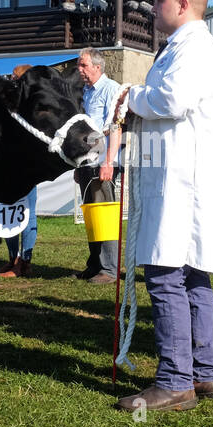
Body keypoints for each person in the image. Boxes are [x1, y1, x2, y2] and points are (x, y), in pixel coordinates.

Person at [111, 0, 213, 413]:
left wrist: (129, 98)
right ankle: (205, 372)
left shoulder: (195, 48)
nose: (153, 7)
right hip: (181, 178)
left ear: (183, 4)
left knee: (166, 276)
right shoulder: (185, 47)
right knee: (191, 277)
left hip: (182, 183)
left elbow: (170, 100)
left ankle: (175, 381)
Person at [74, 49, 122, 284]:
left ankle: (110, 269)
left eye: (83, 65)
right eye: (79, 65)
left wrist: (108, 162)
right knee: (92, 216)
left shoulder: (110, 89)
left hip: (102, 163)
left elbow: (115, 127)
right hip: (87, 163)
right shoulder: (86, 92)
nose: (79, 69)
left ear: (97, 67)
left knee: (104, 216)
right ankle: (95, 265)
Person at [0, 64, 39, 279]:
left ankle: (24, 262)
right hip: (8, 165)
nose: (10, 79)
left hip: (26, 166)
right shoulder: (9, 103)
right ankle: (12, 259)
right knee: (8, 214)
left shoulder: (32, 106)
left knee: (27, 214)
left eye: (14, 76)